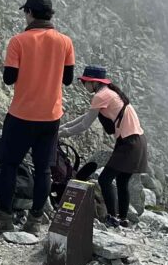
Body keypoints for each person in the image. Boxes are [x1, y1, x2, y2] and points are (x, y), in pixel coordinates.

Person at [0, 0, 76, 232]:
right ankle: (35, 221)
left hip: (21, 114)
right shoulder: (65, 41)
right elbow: (67, 79)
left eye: (25, 12)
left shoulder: (18, 41)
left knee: (9, 165)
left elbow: (8, 78)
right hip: (51, 116)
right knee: (44, 168)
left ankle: (4, 217)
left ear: (30, 13)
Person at [60, 66, 148, 226]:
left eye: (84, 82)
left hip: (128, 143)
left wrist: (60, 133)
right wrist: (62, 129)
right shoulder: (109, 93)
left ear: (93, 82)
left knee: (105, 179)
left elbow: (84, 125)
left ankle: (112, 217)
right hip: (138, 142)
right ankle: (123, 219)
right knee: (122, 182)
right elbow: (85, 116)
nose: (83, 85)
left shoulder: (100, 96)